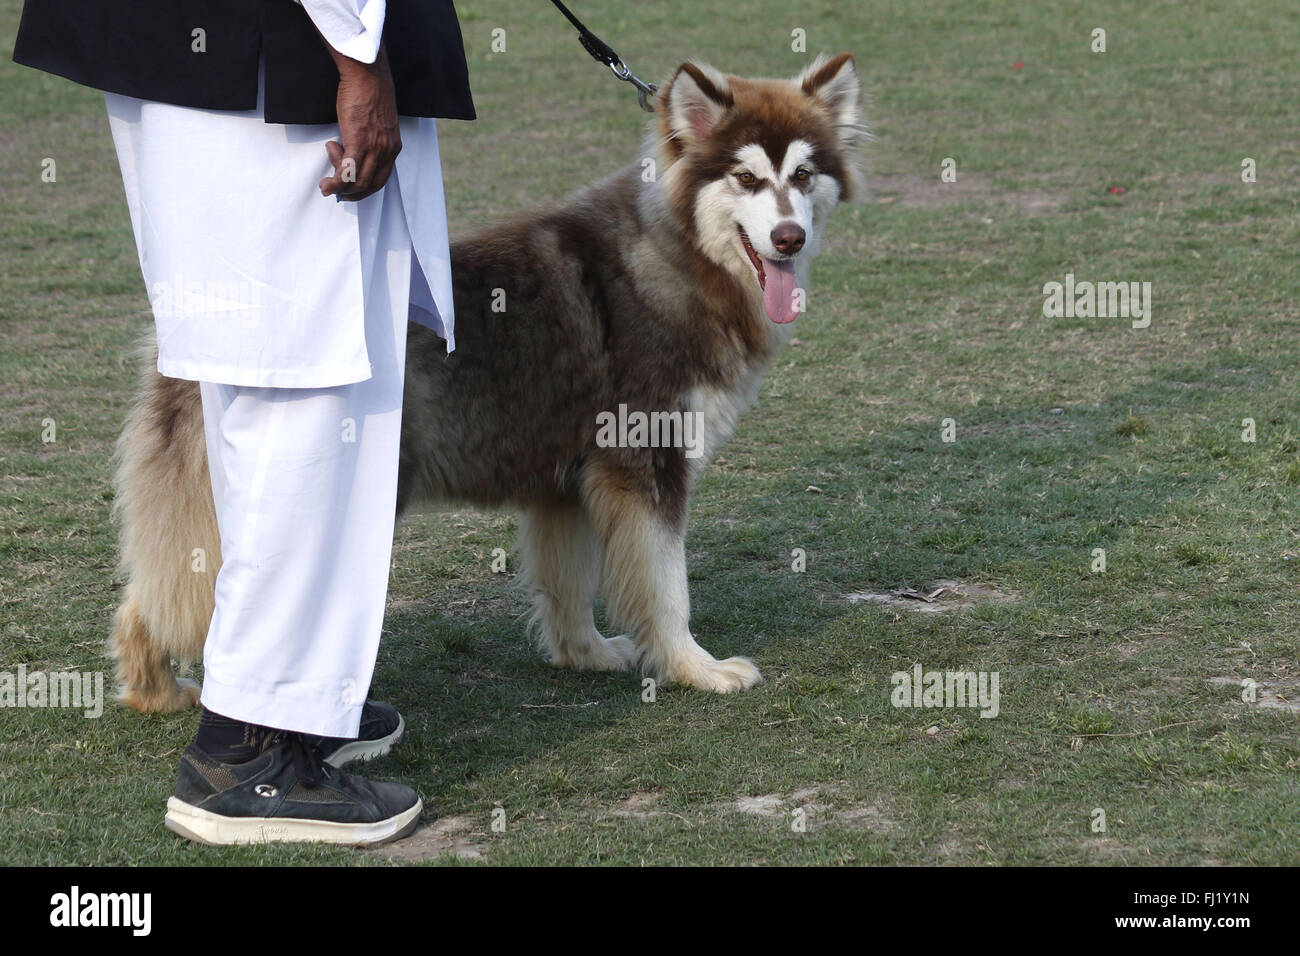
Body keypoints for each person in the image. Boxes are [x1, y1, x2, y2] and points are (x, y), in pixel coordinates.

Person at [13, 0, 475, 846]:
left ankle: (282, 697)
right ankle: (246, 754)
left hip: (193, 47)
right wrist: (358, 60)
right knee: (308, 384)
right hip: (271, 59)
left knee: (254, 377)